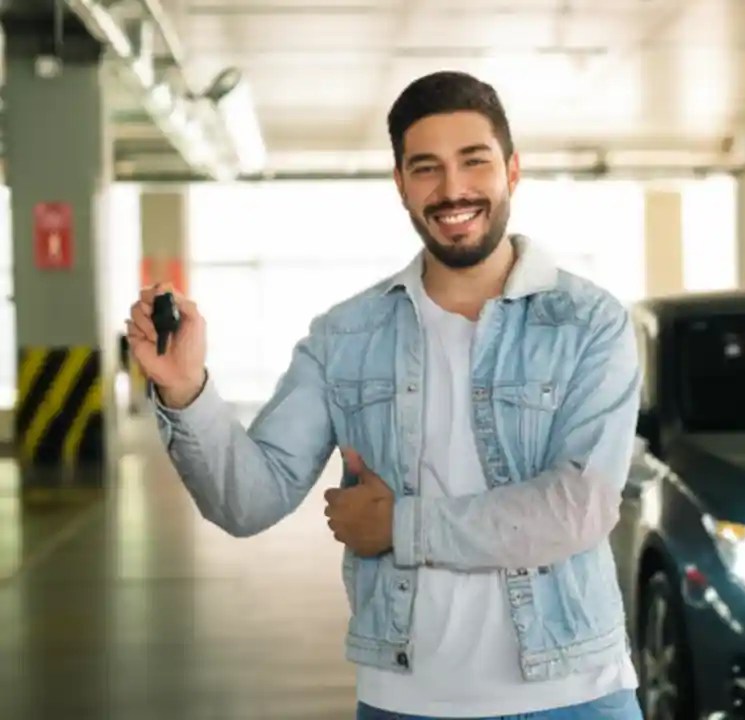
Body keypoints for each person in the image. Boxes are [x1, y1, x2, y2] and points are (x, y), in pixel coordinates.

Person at [125, 71, 643, 720]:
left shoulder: (588, 322)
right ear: (400, 184)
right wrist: (185, 389)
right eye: (426, 168)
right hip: (406, 702)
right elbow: (248, 501)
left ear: (512, 171)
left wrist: (398, 526)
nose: (453, 189)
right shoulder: (347, 336)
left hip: (575, 694)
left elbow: (577, 509)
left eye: (473, 162)